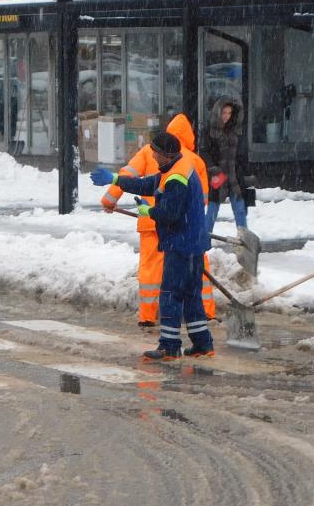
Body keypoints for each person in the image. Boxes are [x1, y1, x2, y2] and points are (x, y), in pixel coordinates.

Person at [90, 131, 214, 362]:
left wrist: (149, 212)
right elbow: (147, 184)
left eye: (156, 153)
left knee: (170, 294)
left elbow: (171, 213)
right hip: (193, 243)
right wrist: (115, 179)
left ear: (165, 155)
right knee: (191, 295)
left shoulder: (176, 178)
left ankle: (169, 346)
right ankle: (202, 343)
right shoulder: (179, 167)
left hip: (181, 244)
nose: (153, 157)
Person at [201, 96, 250, 235]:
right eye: (224, 113)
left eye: (229, 113)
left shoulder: (236, 130)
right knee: (212, 210)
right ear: (218, 112)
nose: (226, 116)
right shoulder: (209, 130)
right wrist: (213, 170)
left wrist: (244, 173)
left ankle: (244, 242)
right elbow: (204, 151)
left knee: (240, 210)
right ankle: (204, 243)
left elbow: (242, 154)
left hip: (234, 176)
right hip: (218, 175)